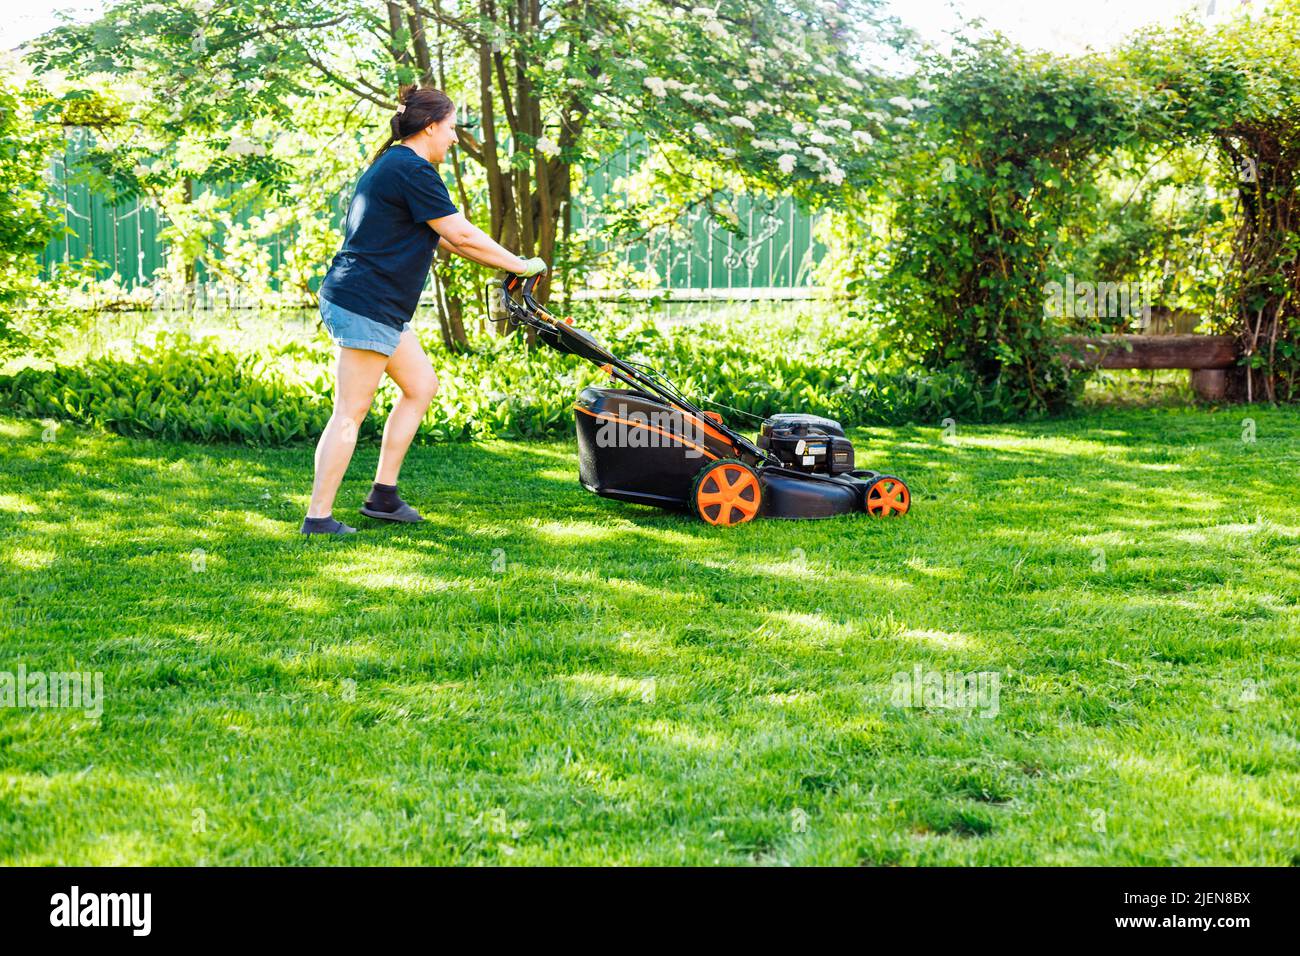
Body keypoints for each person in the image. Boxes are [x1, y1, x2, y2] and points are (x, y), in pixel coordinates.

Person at [302, 86, 546, 535]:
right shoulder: (411, 169)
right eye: (451, 128)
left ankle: (384, 496)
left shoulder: (397, 165)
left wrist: (507, 267)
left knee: (421, 386)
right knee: (350, 412)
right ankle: (318, 519)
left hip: (377, 302)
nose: (454, 138)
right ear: (431, 126)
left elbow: (452, 239)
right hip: (366, 301)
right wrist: (522, 264)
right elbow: (463, 234)